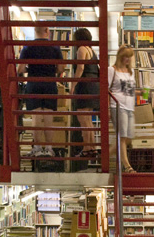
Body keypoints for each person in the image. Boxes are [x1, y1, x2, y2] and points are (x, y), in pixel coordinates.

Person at [16, 26, 64, 158]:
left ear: (34, 31)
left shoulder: (28, 47)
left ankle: (37, 148)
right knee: (48, 117)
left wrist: (30, 69)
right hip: (49, 84)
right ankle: (48, 148)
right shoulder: (55, 47)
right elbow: (60, 68)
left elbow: (20, 69)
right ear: (47, 31)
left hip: (33, 84)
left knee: (36, 117)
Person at [71, 28, 100, 158]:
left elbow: (80, 67)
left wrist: (73, 84)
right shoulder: (92, 51)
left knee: (83, 119)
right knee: (88, 119)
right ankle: (92, 148)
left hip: (84, 85)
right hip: (93, 85)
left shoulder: (81, 49)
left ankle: (86, 148)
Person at [109, 45, 136, 173]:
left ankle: (105, 155)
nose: (128, 59)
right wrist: (109, 109)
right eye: (126, 56)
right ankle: (127, 166)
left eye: (130, 56)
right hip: (118, 106)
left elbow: (130, 90)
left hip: (130, 106)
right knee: (122, 136)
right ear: (120, 57)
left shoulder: (131, 72)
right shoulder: (112, 70)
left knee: (129, 137)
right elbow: (107, 89)